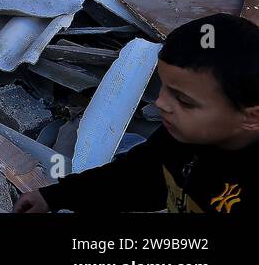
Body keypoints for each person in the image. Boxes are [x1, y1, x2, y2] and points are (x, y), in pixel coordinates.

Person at [15, 13, 259, 213]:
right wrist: (54, 197)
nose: (161, 103)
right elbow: (136, 179)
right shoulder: (182, 138)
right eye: (164, 86)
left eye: (184, 101)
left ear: (251, 117)